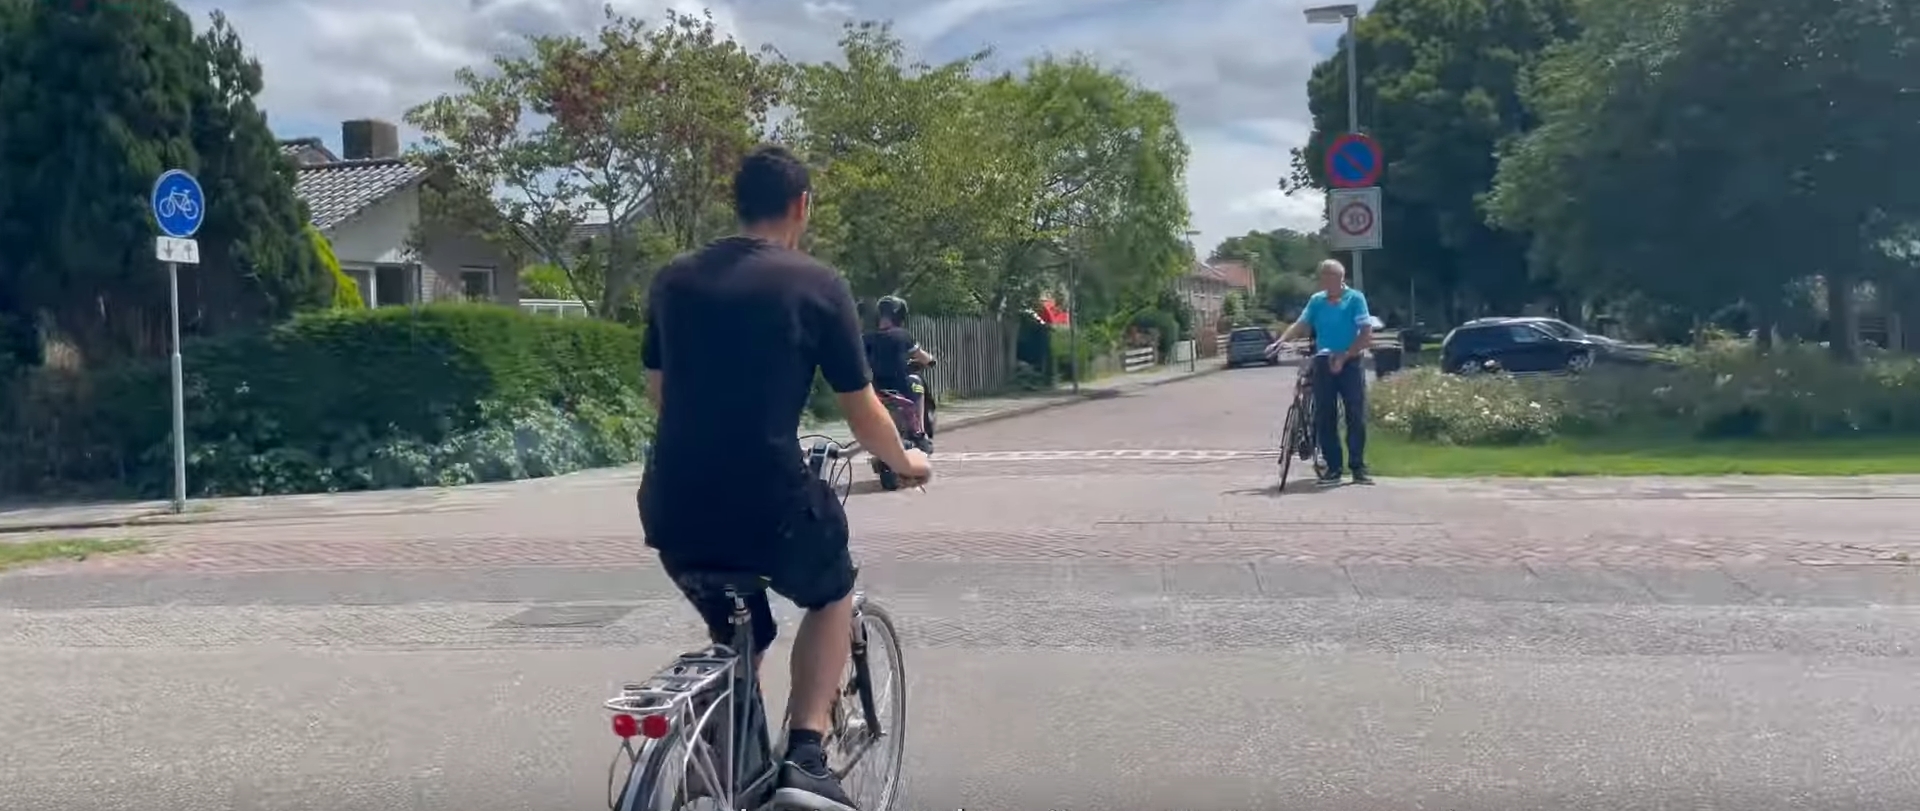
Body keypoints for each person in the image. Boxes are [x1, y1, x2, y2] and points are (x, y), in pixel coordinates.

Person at [637, 143, 932, 811]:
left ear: (736, 204)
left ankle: (720, 750)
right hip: (768, 499)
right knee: (830, 591)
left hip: (672, 508)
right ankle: (805, 756)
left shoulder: (672, 280)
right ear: (802, 206)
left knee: (745, 627)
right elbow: (863, 412)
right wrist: (906, 461)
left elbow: (661, 391)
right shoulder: (816, 284)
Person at [1269, 258, 1374, 485]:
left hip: (1350, 361)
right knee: (1325, 415)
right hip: (1324, 360)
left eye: (1329, 277)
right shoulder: (1317, 301)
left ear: (1340, 278)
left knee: (1355, 413)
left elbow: (1366, 334)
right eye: (1323, 277)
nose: (1325, 281)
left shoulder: (1355, 299)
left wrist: (1345, 356)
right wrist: (1281, 341)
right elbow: (1301, 323)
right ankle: (1333, 467)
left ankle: (1358, 467)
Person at [862, 295, 936, 442]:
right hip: (901, 387)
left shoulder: (867, 338)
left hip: (877, 388)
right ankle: (918, 431)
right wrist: (931, 361)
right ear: (899, 315)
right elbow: (921, 356)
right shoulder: (902, 335)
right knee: (917, 382)